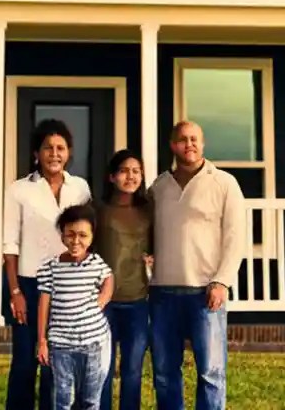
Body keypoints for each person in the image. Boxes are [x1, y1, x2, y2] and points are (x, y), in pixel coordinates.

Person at [148, 120, 245, 410]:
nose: (188, 144)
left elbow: (235, 236)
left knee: (211, 373)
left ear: (202, 144)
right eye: (182, 139)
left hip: (205, 293)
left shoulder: (224, 183)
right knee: (165, 374)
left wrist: (222, 280)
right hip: (162, 293)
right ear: (172, 145)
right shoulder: (158, 186)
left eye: (194, 139)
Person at [4, 119, 93, 409]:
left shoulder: (80, 188)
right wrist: (15, 291)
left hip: (68, 284)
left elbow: (89, 234)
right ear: (36, 153)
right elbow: (10, 244)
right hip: (30, 284)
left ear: (68, 153)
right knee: (25, 362)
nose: (54, 154)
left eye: (60, 148)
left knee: (58, 363)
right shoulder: (19, 190)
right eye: (47, 148)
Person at [36, 203, 115, 410]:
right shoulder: (50, 267)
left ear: (91, 237)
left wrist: (101, 301)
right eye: (70, 234)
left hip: (94, 343)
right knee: (63, 400)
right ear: (62, 235)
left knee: (91, 399)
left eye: (83, 235)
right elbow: (44, 304)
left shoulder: (96, 263)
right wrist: (42, 341)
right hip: (61, 344)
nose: (76, 241)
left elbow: (109, 279)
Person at [95, 150, 153, 410]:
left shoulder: (148, 211)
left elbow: (159, 246)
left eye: (136, 171)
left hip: (137, 301)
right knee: (103, 369)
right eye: (124, 170)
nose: (130, 176)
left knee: (132, 370)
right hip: (103, 303)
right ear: (111, 176)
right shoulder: (98, 210)